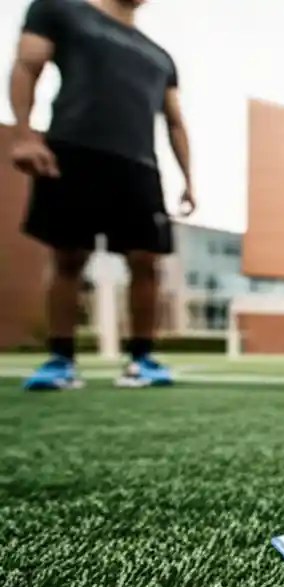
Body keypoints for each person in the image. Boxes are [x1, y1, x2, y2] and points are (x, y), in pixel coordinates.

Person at [13, 0, 193, 391]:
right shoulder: (59, 10)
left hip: (138, 163)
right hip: (74, 149)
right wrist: (25, 136)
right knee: (69, 255)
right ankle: (61, 359)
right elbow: (27, 66)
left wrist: (188, 178)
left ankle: (142, 359)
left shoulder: (160, 56)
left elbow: (175, 122)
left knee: (147, 260)